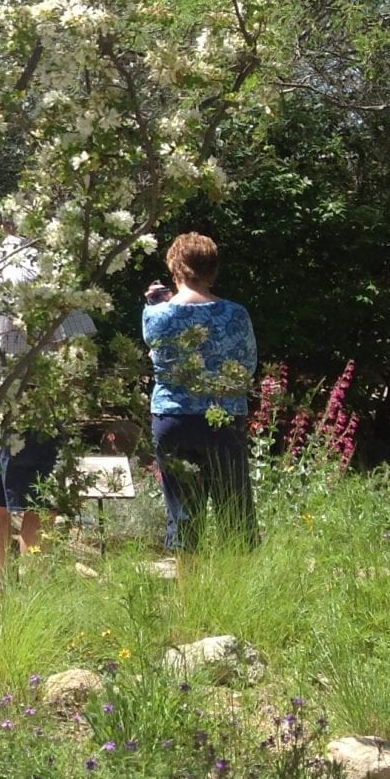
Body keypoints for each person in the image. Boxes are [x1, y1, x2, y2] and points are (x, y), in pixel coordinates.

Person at [0, 232, 96, 583]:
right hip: (35, 395)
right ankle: (33, 602)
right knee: (38, 501)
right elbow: (75, 338)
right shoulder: (48, 270)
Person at [142, 232, 257, 549]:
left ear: (176, 268)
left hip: (174, 419)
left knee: (183, 519)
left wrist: (154, 301)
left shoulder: (157, 314)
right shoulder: (236, 313)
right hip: (224, 419)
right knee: (234, 515)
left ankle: (188, 596)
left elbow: (158, 356)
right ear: (213, 270)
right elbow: (247, 367)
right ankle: (237, 594)